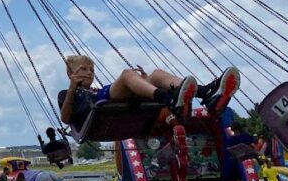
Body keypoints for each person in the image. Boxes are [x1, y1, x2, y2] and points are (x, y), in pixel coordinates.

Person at [58, 55, 240, 132]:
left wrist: (143, 83)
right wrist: (73, 88)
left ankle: (207, 93)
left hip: (118, 102)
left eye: (91, 69)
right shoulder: (67, 94)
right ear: (70, 73)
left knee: (157, 74)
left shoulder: (97, 89)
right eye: (83, 69)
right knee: (127, 74)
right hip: (100, 108)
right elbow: (66, 119)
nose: (89, 72)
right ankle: (169, 99)